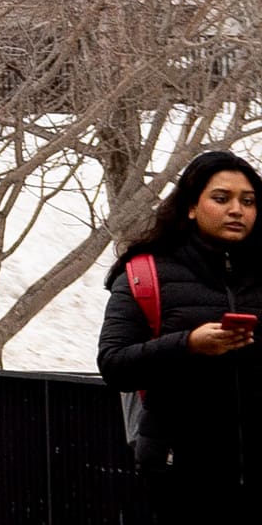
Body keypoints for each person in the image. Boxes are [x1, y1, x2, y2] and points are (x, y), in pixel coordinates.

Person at [102, 146, 262, 517]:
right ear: (191, 206)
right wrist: (189, 345)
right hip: (183, 476)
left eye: (249, 201)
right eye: (221, 199)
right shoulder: (147, 274)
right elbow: (114, 364)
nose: (237, 210)